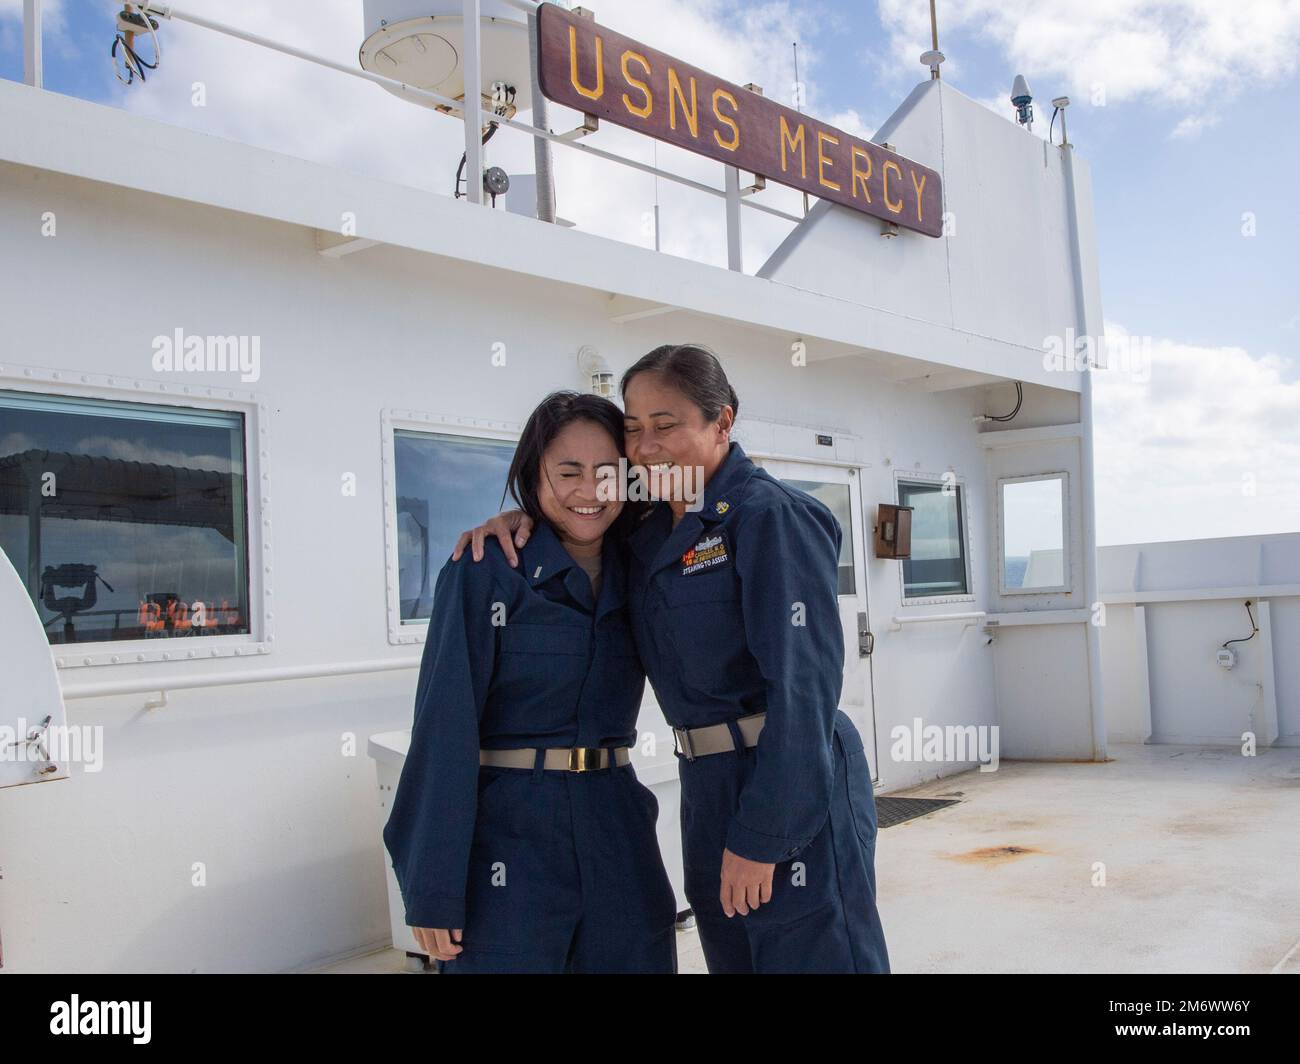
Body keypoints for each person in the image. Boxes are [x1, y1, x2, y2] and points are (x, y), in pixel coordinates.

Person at [455, 344, 890, 974]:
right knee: (732, 957)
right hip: (706, 783)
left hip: (787, 772)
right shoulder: (650, 528)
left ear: (723, 422)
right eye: (633, 428)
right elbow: (582, 510)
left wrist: (765, 834)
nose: (646, 445)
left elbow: (803, 691)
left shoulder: (771, 518)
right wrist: (519, 517)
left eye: (667, 425)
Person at [384, 390, 677, 973]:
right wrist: (433, 887)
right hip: (508, 840)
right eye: (567, 472)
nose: (589, 491)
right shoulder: (486, 571)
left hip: (617, 825)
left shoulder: (646, 566)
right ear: (532, 474)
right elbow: (444, 728)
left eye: (608, 473)